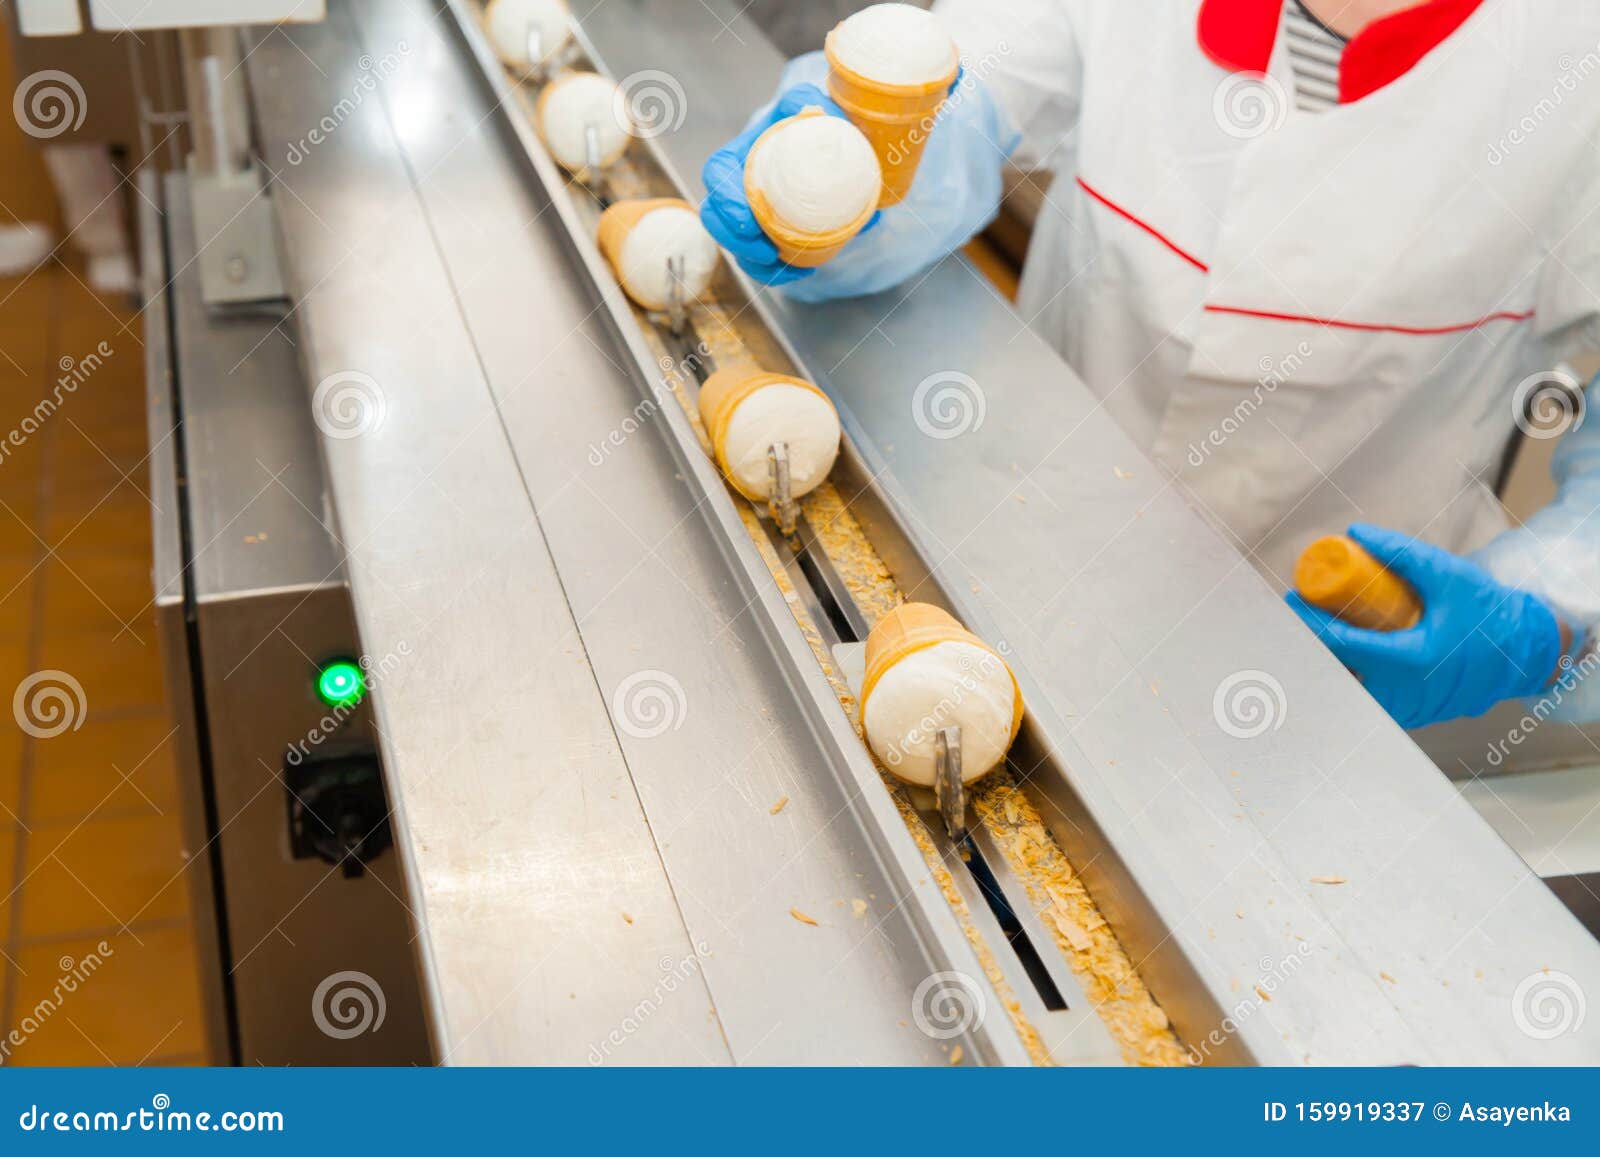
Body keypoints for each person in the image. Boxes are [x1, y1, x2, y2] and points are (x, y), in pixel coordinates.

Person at [701, 0, 1600, 730]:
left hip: (1333, 682)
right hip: (1008, 555)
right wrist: (833, 183)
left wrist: (1550, 615)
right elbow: (964, 99)